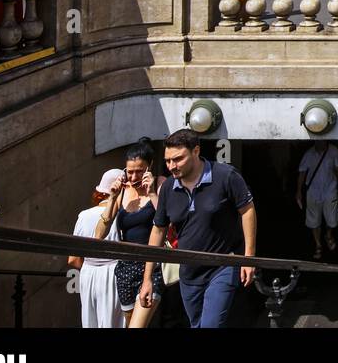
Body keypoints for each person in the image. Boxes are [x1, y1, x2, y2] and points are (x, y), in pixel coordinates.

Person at [140, 129, 256, 328]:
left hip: (223, 264)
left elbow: (247, 210)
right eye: (167, 161)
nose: (171, 166)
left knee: (210, 325)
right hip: (189, 272)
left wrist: (248, 257)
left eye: (177, 159)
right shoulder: (168, 187)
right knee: (197, 325)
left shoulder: (225, 175)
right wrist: (147, 279)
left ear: (196, 151)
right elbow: (158, 230)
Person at [97, 138, 165, 328]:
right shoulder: (122, 192)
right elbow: (99, 235)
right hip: (125, 268)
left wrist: (152, 193)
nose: (134, 177)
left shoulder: (160, 184)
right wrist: (111, 198)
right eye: (130, 171)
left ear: (149, 167)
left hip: (151, 266)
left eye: (139, 171)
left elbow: (169, 223)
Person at [70, 168, 126, 328]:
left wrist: (92, 266)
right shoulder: (122, 215)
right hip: (114, 272)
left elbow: (73, 259)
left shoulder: (83, 215)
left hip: (88, 273)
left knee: (90, 322)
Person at [297, 140, 338, 259]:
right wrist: (298, 191)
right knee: (314, 221)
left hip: (330, 190)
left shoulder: (333, 151)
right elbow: (302, 173)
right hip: (313, 191)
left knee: (332, 220)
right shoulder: (309, 154)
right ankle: (318, 244)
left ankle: (328, 234)